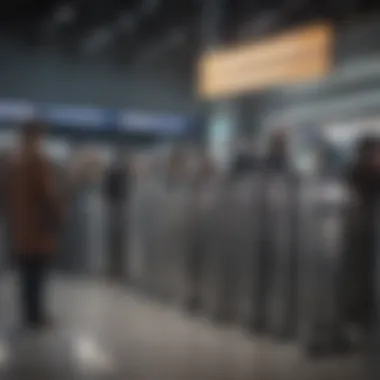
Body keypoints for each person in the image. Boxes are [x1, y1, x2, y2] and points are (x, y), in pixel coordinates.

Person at [6, 120, 63, 329]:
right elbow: (47, 194)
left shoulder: (14, 162)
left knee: (26, 275)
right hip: (38, 228)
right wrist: (57, 214)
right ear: (37, 136)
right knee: (37, 274)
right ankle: (36, 316)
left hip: (20, 228)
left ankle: (28, 314)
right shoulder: (38, 161)